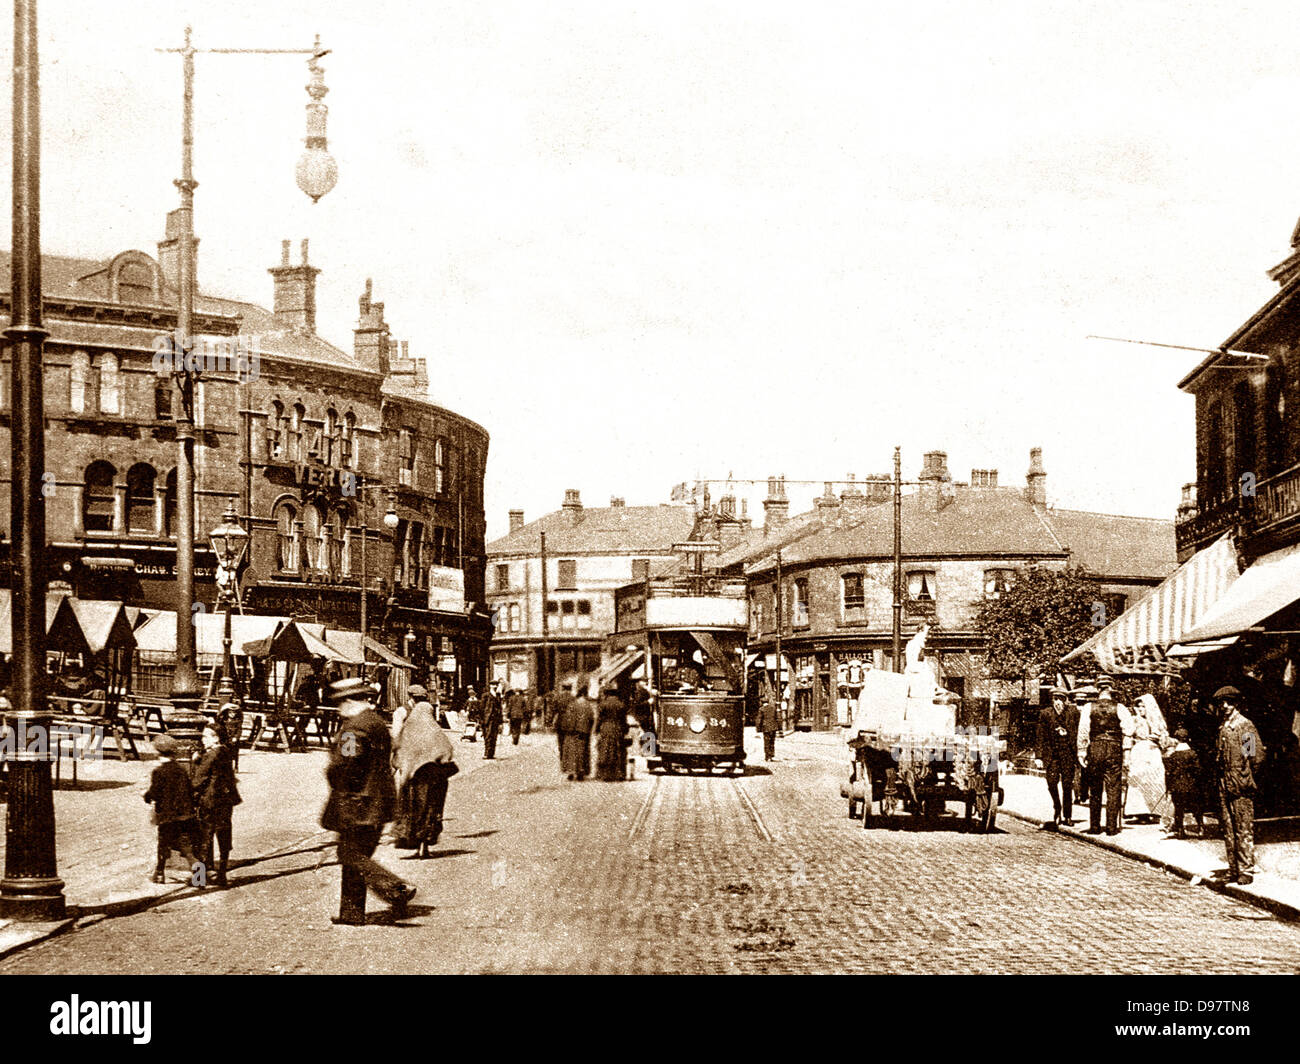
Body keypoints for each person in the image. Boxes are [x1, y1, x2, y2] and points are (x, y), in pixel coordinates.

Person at [320, 677, 416, 926]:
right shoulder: (374, 722)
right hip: (378, 801)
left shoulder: (354, 728)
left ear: (351, 700)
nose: (339, 708)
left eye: (340, 703)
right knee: (357, 855)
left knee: (349, 853)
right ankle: (351, 914)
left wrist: (332, 775)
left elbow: (346, 764)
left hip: (358, 803)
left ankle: (396, 887)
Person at [392, 684, 459, 858]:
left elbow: (399, 745)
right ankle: (425, 845)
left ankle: (415, 843)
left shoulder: (409, 725)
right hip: (435, 779)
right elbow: (447, 750)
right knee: (432, 809)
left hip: (415, 778)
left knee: (415, 809)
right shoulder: (433, 727)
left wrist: (400, 765)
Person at [1214, 685, 1265, 885]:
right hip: (1224, 782)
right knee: (1228, 827)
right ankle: (1233, 868)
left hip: (1240, 782)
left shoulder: (1245, 726)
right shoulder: (1223, 727)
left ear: (1237, 704)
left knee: (1243, 827)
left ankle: (1246, 870)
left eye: (1229, 703)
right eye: (1222, 703)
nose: (1225, 706)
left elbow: (1255, 757)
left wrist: (1245, 777)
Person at [144, 734, 204, 886]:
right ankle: (199, 878)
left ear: (158, 754)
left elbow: (155, 793)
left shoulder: (159, 772)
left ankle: (159, 874)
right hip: (185, 815)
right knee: (187, 848)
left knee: (163, 844)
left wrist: (146, 796)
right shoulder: (181, 770)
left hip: (168, 817)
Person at [191, 720, 241, 888]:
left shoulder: (210, 755)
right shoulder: (226, 751)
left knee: (204, 837)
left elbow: (199, 780)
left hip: (209, 801)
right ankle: (222, 874)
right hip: (226, 800)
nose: (203, 740)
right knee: (224, 835)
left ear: (215, 738)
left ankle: (199, 879)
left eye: (205, 737)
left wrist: (196, 761)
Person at [1037, 686, 1080, 827]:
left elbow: (1078, 732)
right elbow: (1040, 736)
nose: (1058, 702)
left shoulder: (1073, 713)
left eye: (1061, 699)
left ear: (1065, 700)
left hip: (1068, 754)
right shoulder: (1046, 714)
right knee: (1051, 783)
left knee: (1067, 785)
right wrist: (1038, 757)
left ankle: (1067, 816)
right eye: (1055, 699)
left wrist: (1066, 732)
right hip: (1052, 756)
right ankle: (1057, 807)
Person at [1087, 688, 1124, 836]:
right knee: (1113, 788)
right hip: (1114, 747)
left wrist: (1082, 750)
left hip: (1095, 747)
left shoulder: (1089, 707)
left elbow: (1083, 730)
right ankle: (1111, 828)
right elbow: (1129, 729)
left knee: (1095, 788)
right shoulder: (1119, 707)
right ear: (1111, 692)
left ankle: (1094, 826)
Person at [1163, 727, 1204, 838]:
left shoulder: (1173, 756)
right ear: (1188, 739)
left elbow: (1168, 773)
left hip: (1177, 787)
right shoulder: (1192, 754)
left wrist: (1168, 787)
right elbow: (1198, 770)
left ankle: (1180, 830)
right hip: (1191, 785)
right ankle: (1200, 828)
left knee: (1179, 809)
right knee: (1196, 807)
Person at [559, 688, 595, 781]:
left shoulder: (573, 704)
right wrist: (588, 730)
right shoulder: (588, 705)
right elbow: (591, 718)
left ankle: (571, 771)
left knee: (570, 752)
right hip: (583, 731)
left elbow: (568, 718)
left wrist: (567, 729)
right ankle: (581, 773)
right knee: (582, 752)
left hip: (571, 731)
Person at [595, 687, 629, 781]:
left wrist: (597, 729)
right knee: (618, 751)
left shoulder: (603, 704)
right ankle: (619, 774)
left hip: (606, 728)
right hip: (618, 728)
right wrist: (625, 730)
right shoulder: (621, 705)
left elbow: (599, 719)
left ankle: (605, 775)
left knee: (605, 750)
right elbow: (624, 720)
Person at [1074, 685, 1097, 805]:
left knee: (1087, 771)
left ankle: (1084, 794)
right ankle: (1079, 795)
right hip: (1077, 745)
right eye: (1079, 703)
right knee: (1078, 771)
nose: (1080, 706)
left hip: (1089, 744)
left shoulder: (1090, 712)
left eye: (1083, 703)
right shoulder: (1074, 713)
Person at [482, 683, 504, 759]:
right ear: (490, 686)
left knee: (494, 736)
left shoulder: (498, 696)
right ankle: (487, 753)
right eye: (493, 685)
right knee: (488, 736)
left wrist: (501, 721)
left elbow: (500, 708)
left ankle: (491, 754)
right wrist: (481, 719)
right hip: (488, 719)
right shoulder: (486, 695)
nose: (495, 686)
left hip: (496, 719)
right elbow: (482, 708)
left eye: (496, 685)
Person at [758, 689, 779, 762]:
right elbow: (777, 718)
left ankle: (767, 756)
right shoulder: (773, 708)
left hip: (766, 728)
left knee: (766, 742)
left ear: (762, 702)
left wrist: (758, 729)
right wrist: (779, 727)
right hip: (773, 727)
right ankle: (771, 755)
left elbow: (759, 719)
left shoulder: (761, 709)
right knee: (772, 742)